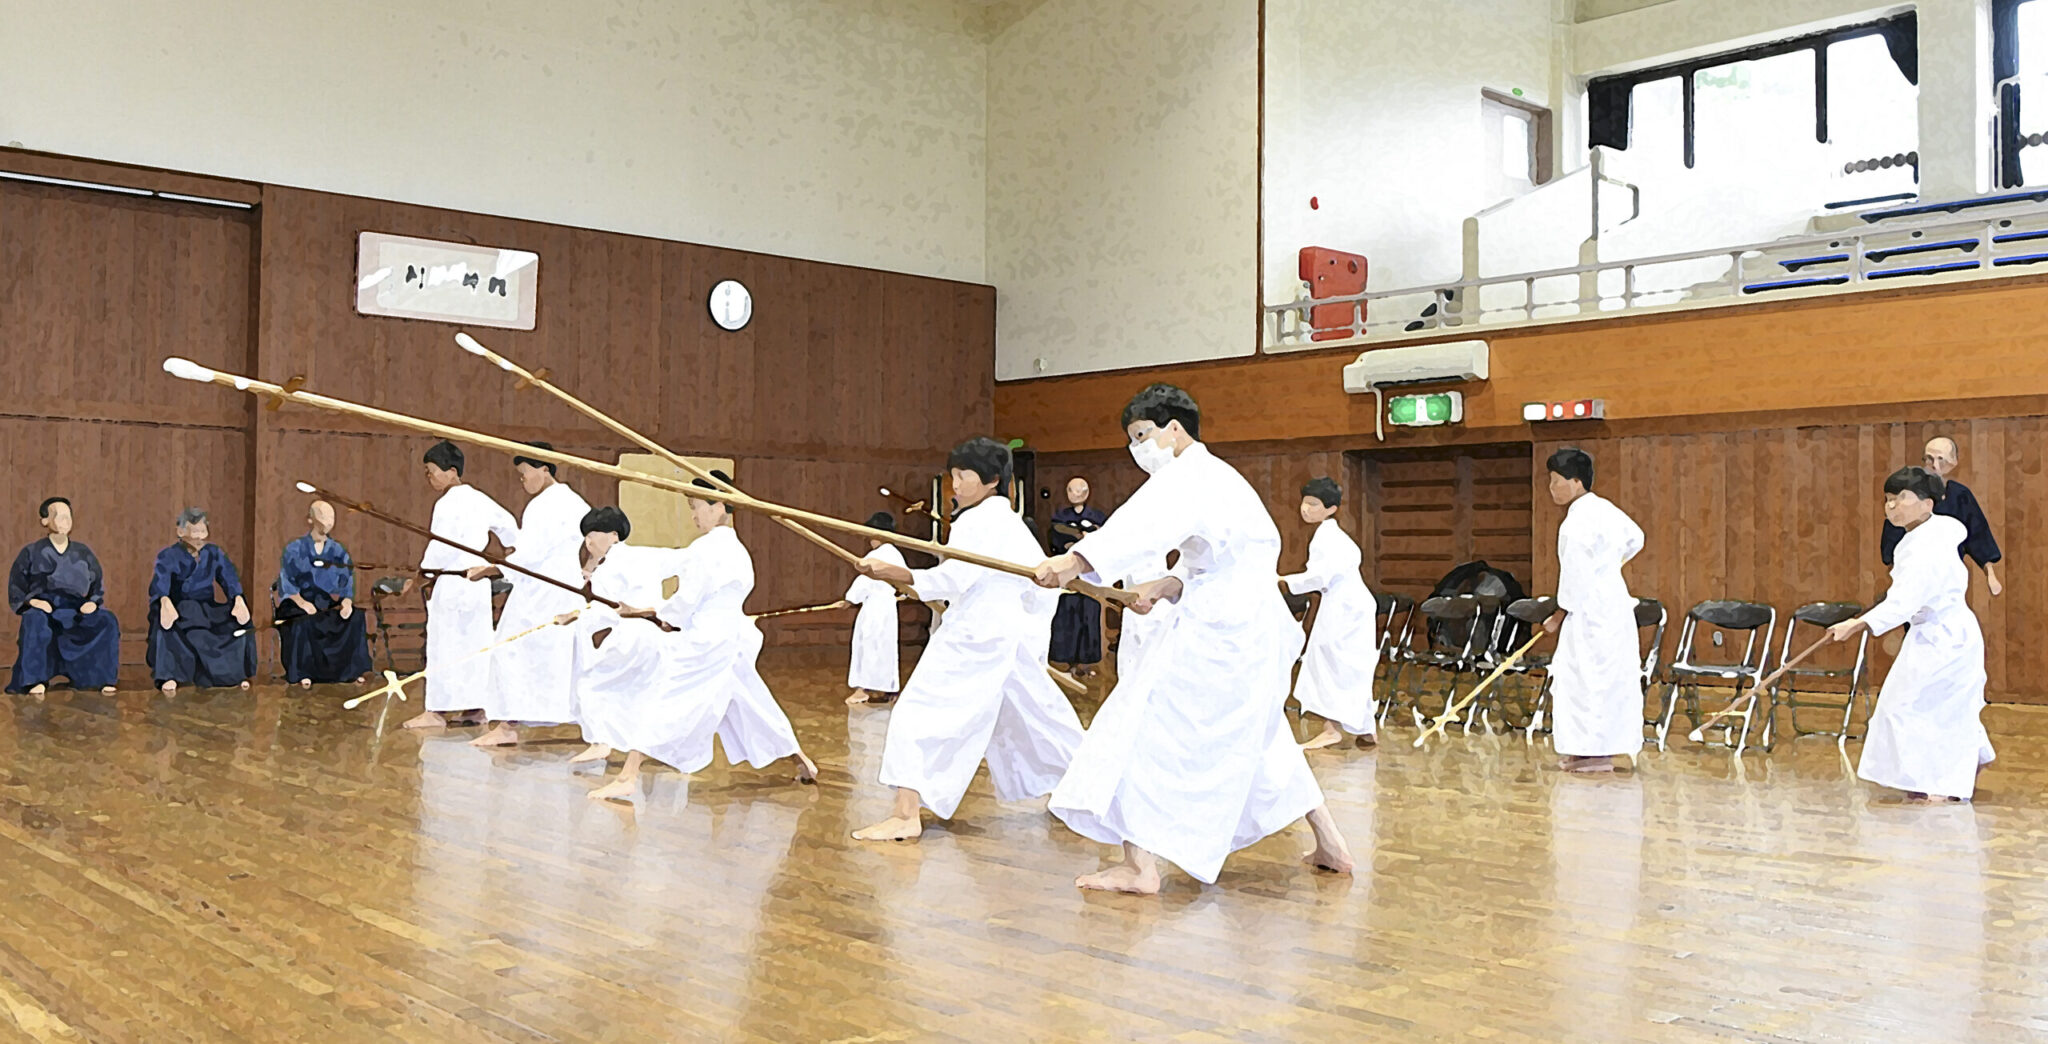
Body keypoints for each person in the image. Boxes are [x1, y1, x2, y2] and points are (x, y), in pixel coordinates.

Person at [1034, 385, 1353, 893]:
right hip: (1251, 628)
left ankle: (1140, 867)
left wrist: (1071, 562)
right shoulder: (1224, 479)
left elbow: (1138, 528)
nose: (1138, 449)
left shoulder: (1188, 477)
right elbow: (1214, 560)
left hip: (1221, 632)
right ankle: (1331, 841)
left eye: (1142, 436)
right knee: (1262, 733)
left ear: (1173, 429)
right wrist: (1162, 588)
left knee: (1131, 726)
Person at [848, 438, 1085, 842]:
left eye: (963, 475)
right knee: (1039, 717)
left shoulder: (982, 522)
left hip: (975, 640)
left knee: (915, 714)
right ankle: (1092, 790)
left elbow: (954, 579)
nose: (955, 484)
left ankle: (906, 814)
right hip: (998, 635)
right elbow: (1037, 587)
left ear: (992, 480)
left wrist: (898, 574)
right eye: (953, 475)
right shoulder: (1004, 521)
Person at [585, 474, 818, 801]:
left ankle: (628, 776)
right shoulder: (737, 549)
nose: (694, 515)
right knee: (751, 701)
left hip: (707, 640)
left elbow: (687, 600)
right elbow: (693, 600)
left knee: (666, 697)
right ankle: (802, 760)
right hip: (732, 636)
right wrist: (658, 614)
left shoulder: (709, 548)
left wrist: (650, 613)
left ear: (719, 505)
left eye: (697, 507)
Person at [1829, 466, 1995, 803]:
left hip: (1946, 638)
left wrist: (1856, 624)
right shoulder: (1926, 536)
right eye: (1887, 500)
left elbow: (1904, 602)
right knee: (1908, 706)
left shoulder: (1926, 546)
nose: (1891, 507)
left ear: (1927, 503)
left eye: (1900, 499)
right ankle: (1950, 770)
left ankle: (1946, 784)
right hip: (1935, 636)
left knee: (1923, 708)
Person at [473, 443, 591, 748]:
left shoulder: (546, 505)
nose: (522, 480)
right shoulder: (576, 502)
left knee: (508, 649)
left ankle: (509, 725)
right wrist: (588, 568)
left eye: (525, 473)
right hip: (563, 588)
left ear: (544, 469)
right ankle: (581, 724)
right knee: (555, 657)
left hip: (541, 592)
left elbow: (530, 555)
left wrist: (491, 568)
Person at [1539, 447, 1645, 775]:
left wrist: (1557, 616)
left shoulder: (1577, 523)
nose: (1552, 488)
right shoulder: (1605, 509)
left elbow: (1574, 575)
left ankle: (1595, 754)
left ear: (1575, 482)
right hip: (1610, 601)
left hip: (1588, 609)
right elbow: (1636, 539)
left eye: (1556, 481)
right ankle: (1585, 750)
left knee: (1586, 679)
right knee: (1599, 679)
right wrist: (1610, 568)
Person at [402, 440, 517, 730]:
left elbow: (437, 550)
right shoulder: (480, 499)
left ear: (452, 472)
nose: (430, 478)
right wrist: (505, 558)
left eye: (432, 471)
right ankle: (477, 708)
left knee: (445, 646)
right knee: (475, 645)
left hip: (452, 583)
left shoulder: (446, 504)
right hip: (476, 585)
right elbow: (510, 528)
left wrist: (419, 578)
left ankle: (437, 711)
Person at [558, 506, 674, 766]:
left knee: (590, 685)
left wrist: (572, 616)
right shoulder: (647, 555)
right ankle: (653, 747)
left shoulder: (609, 568)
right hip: (656, 637)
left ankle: (600, 743)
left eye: (594, 534)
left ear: (613, 535)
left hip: (631, 637)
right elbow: (685, 561)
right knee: (646, 693)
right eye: (586, 536)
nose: (589, 542)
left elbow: (603, 612)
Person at [1280, 477, 1378, 750]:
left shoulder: (1329, 537)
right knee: (1347, 665)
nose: (1306, 509)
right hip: (1345, 605)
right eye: (1305, 502)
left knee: (1330, 663)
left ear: (1331, 509)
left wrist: (1285, 581)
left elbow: (1321, 576)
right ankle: (1365, 728)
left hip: (1345, 607)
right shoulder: (1327, 535)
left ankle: (1331, 728)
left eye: (1314, 504)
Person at [7, 497, 120, 695]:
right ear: (44, 521)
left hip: (76, 608)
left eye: (68, 517)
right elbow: (17, 587)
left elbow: (97, 585)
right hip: (45, 607)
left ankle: (101, 678)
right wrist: (32, 602)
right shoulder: (31, 552)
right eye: (59, 516)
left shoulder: (83, 552)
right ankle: (35, 680)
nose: (65, 521)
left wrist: (92, 603)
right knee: (34, 620)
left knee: (107, 620)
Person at [145, 508, 257, 693]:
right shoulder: (168, 555)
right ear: (181, 532)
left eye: (202, 531)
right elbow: (161, 582)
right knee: (168, 623)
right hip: (179, 606)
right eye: (193, 532)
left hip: (207, 607)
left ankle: (235, 674)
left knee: (238, 621)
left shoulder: (214, 553)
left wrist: (237, 598)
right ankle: (170, 675)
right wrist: (164, 601)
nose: (198, 537)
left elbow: (229, 577)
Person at [1881, 437, 2003, 596]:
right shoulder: (1909, 494)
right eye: (1930, 459)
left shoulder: (1960, 496)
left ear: (1953, 462)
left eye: (1941, 460)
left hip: (1948, 572)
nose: (1935, 465)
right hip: (1915, 570)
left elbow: (1978, 534)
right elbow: (1893, 535)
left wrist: (1991, 575)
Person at [276, 499, 373, 687]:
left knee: (354, 618)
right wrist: (302, 602)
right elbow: (286, 581)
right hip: (297, 602)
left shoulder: (338, 550)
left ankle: (349, 672)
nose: (327, 521)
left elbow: (347, 580)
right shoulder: (294, 548)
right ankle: (302, 672)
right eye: (322, 516)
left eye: (330, 517)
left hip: (324, 602)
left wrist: (346, 602)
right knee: (302, 621)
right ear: (310, 520)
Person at [1047, 477, 1108, 677]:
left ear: (1087, 493)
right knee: (1067, 615)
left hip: (1089, 573)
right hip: (1068, 573)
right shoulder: (1059, 517)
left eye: (1080, 491)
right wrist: (1080, 537)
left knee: (1089, 614)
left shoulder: (1098, 517)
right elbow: (1058, 539)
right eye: (1072, 491)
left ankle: (1086, 661)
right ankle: (1065, 659)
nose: (1076, 495)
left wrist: (1084, 537)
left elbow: (1101, 540)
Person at [844, 511, 904, 705]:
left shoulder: (878, 555)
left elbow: (865, 580)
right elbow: (904, 581)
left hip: (876, 607)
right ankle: (890, 689)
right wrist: (901, 596)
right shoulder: (895, 554)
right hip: (888, 606)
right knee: (885, 646)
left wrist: (849, 600)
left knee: (869, 644)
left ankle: (863, 689)